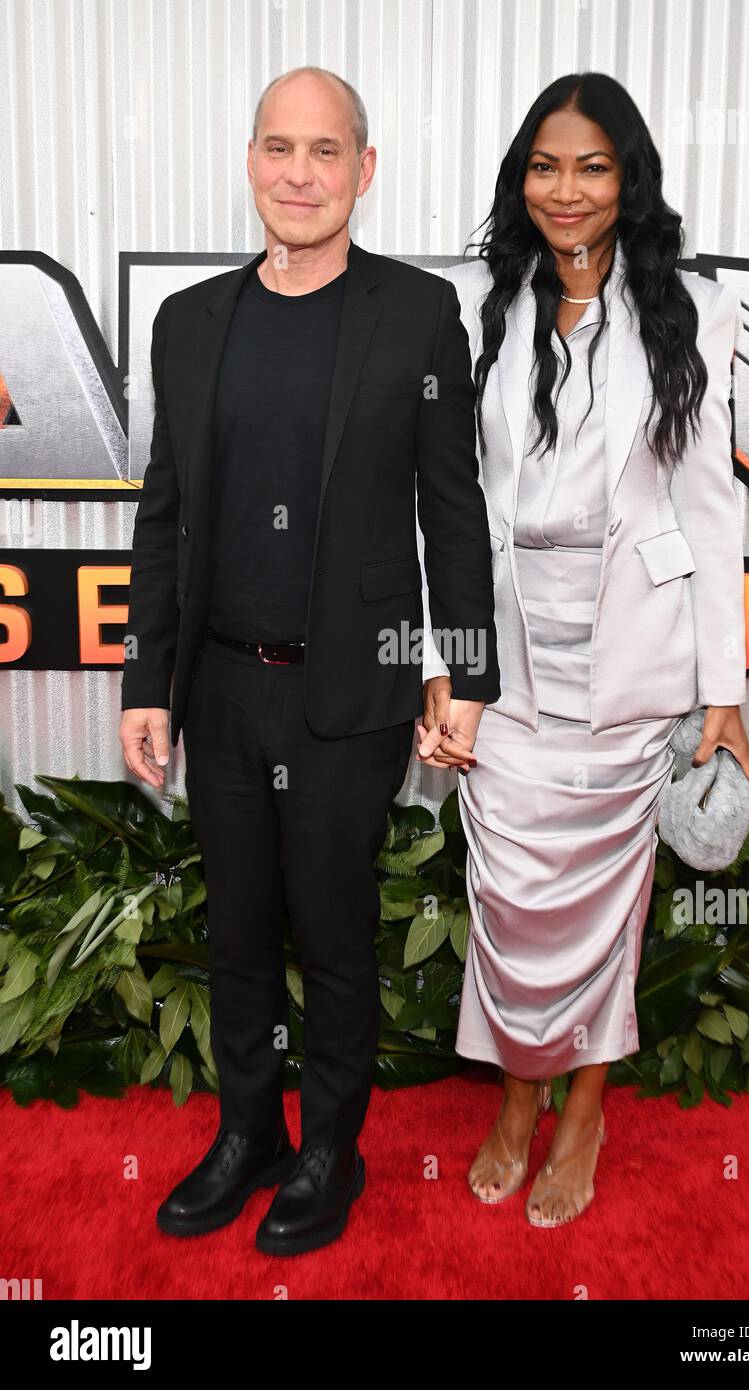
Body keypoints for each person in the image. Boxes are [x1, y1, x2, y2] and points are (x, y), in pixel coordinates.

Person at [119, 66, 499, 1256]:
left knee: (332, 934)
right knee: (238, 928)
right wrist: (145, 680)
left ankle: (331, 1144)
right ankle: (250, 1132)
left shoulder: (416, 314)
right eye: (278, 148)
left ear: (364, 171)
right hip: (220, 688)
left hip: (350, 694)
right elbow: (164, 512)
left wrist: (467, 673)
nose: (299, 172)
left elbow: (454, 508)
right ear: (250, 162)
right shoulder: (189, 322)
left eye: (325, 151)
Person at [416, 71, 749, 1228]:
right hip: (508, 665)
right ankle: (516, 1101)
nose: (567, 190)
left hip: (634, 663)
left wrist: (723, 690)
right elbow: (448, 504)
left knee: (610, 912)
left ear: (630, 180)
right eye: (546, 166)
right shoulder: (482, 302)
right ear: (523, 178)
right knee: (510, 906)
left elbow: (711, 508)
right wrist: (450, 664)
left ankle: (582, 1111)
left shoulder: (693, 312)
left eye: (593, 166)